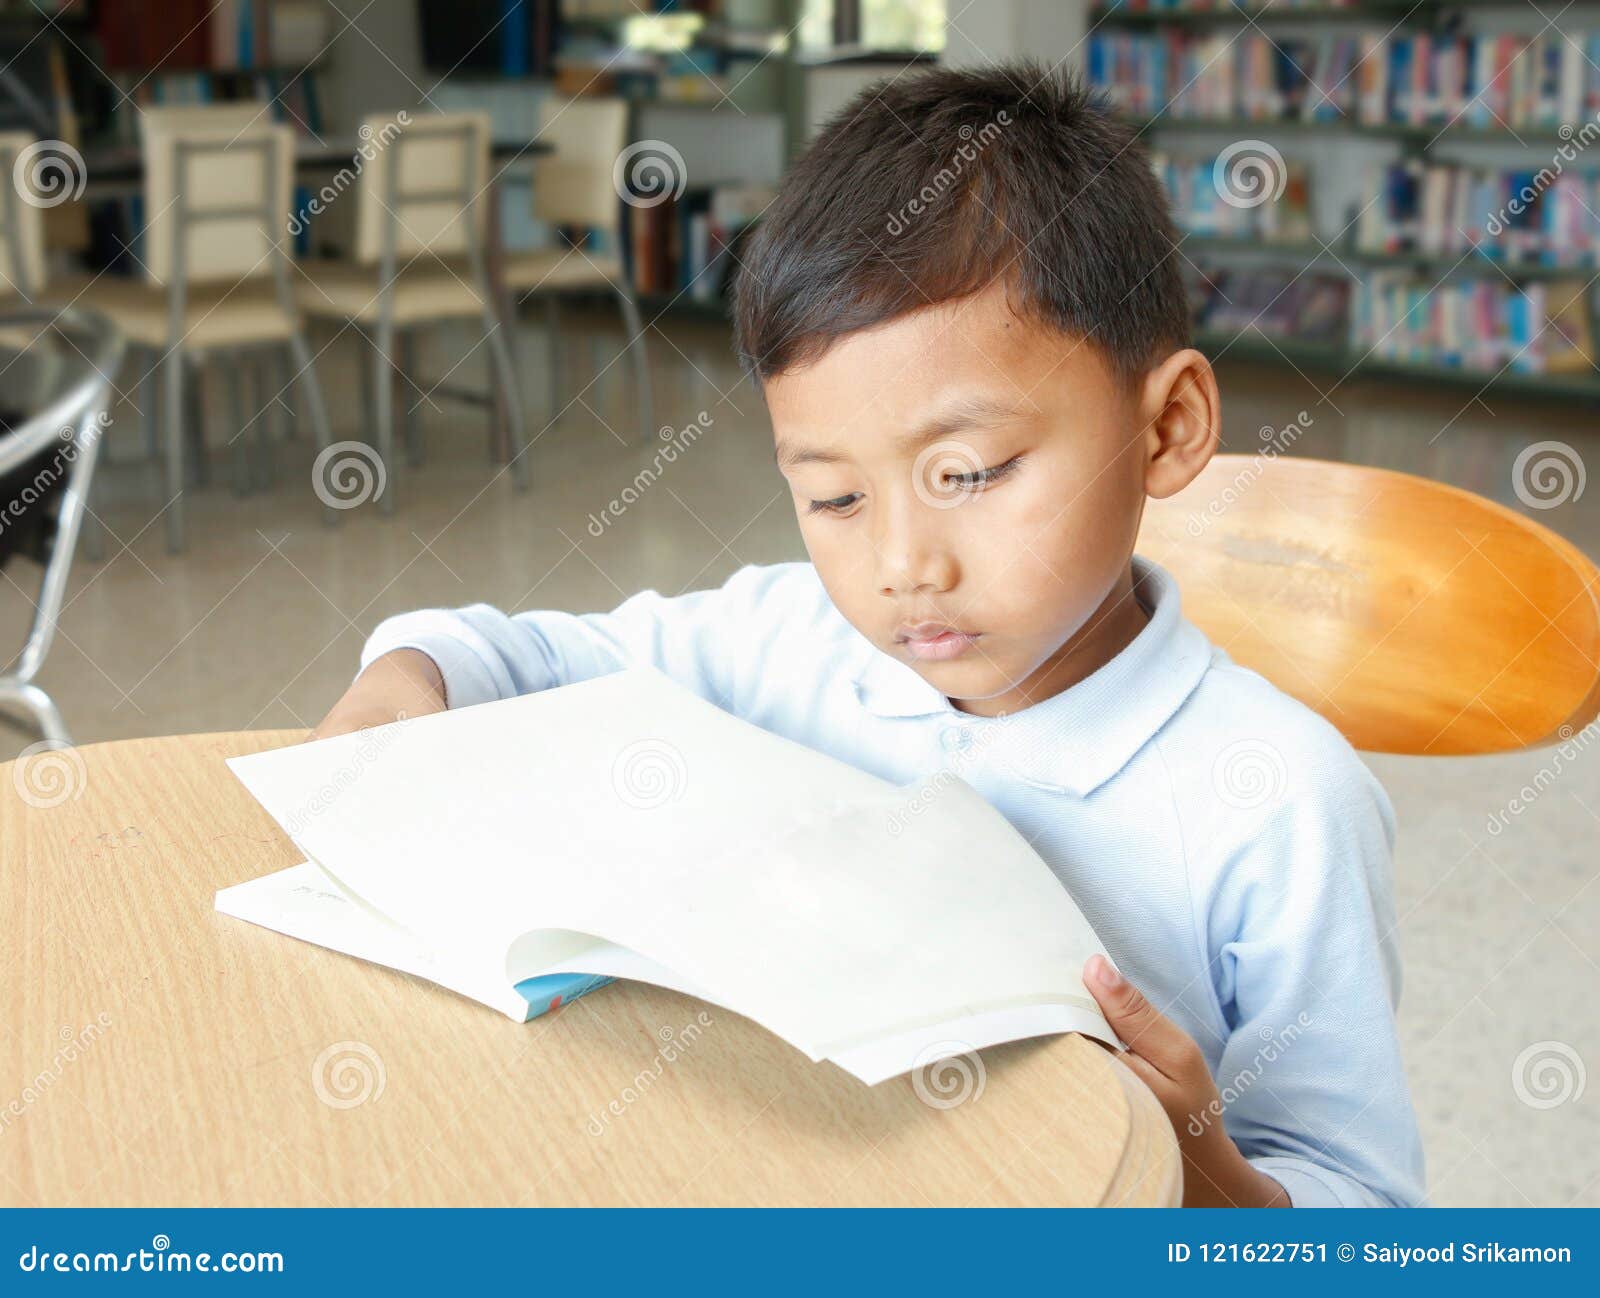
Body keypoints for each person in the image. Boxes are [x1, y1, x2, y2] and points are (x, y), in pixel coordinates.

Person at [314, 65, 1425, 1208]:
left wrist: (1212, 1182)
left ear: (1168, 425)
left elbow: (1364, 1203)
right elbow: (535, 658)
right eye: (835, 497)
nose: (903, 564)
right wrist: (415, 668)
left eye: (968, 472)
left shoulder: (1281, 805)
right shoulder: (788, 639)